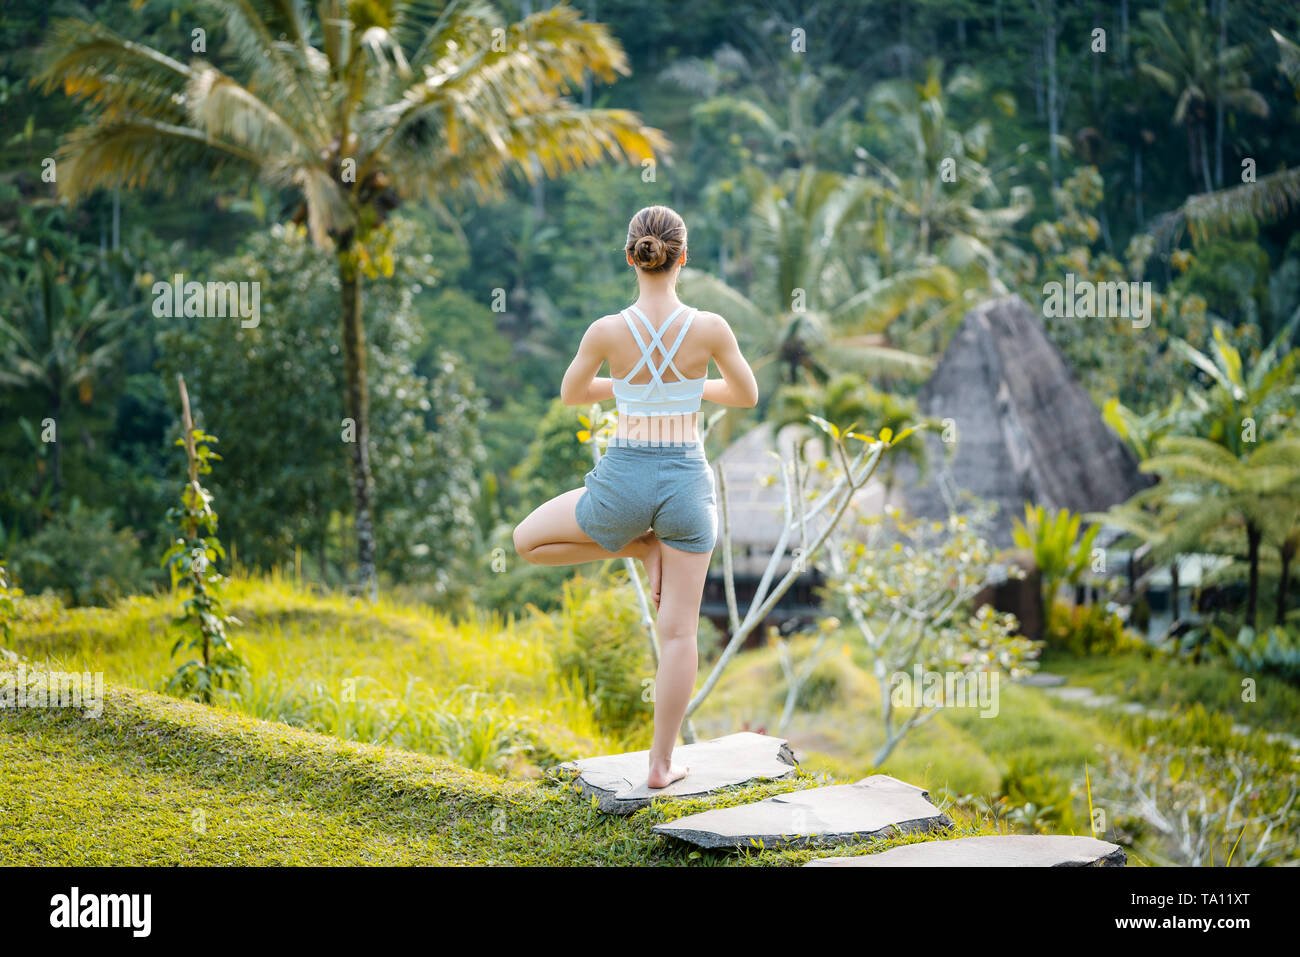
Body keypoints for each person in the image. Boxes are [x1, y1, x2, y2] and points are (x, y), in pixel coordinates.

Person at [512, 205, 759, 789]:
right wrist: (687, 384)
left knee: (526, 542)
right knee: (678, 634)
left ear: (632, 256)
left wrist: (630, 382)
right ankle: (660, 764)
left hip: (621, 483)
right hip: (687, 491)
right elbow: (746, 395)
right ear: (683, 256)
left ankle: (636, 549)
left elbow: (574, 393)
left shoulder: (606, 330)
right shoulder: (711, 328)